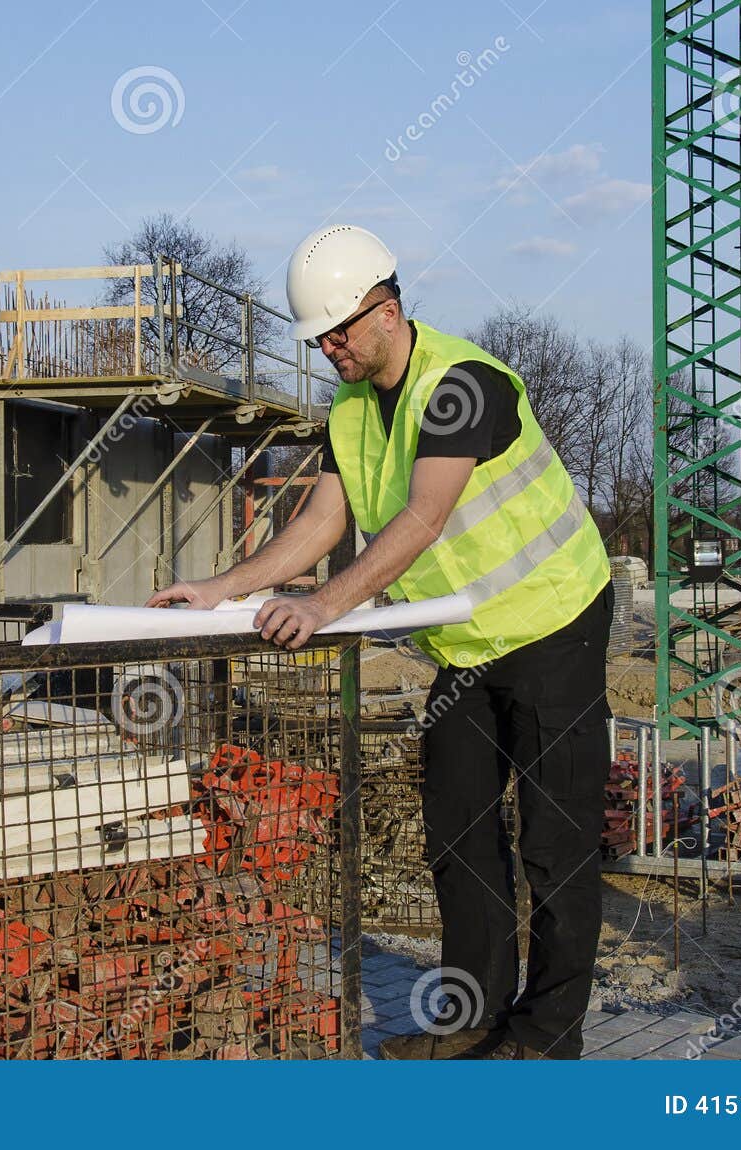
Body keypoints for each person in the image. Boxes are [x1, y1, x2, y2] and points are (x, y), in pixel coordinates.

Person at [150, 225, 613, 1059]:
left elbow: (423, 517)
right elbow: (324, 519)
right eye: (318, 337)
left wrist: (325, 604)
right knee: (459, 834)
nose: (329, 348)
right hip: (462, 646)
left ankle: (544, 1045)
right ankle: (469, 1026)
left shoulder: (464, 385)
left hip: (553, 626)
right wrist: (226, 587)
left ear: (388, 310)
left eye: (340, 331)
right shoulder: (353, 408)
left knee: (556, 847)